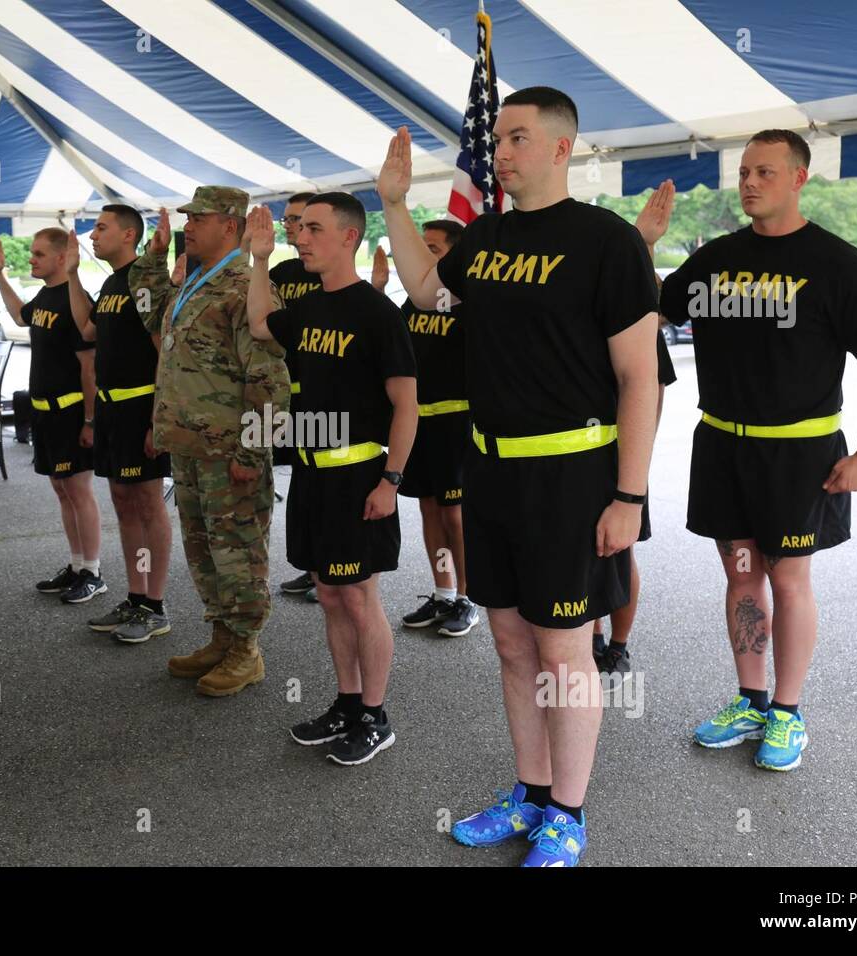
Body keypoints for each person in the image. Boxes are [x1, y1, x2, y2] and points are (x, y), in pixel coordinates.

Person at [379, 87, 659, 866]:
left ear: (562, 148)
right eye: (497, 138)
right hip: (490, 471)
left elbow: (641, 378)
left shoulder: (607, 243)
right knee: (509, 643)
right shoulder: (486, 238)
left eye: (517, 138)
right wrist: (394, 207)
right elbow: (427, 292)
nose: (499, 152)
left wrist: (629, 496)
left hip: (572, 476)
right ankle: (531, 794)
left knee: (565, 652)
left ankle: (567, 813)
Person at [662, 129, 857, 771]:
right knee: (741, 574)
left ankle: (788, 713)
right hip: (722, 446)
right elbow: (650, 311)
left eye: (764, 172)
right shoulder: (714, 260)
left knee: (789, 579)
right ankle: (751, 700)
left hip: (799, 454)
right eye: (744, 172)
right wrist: (643, 244)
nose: (749, 182)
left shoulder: (836, 262)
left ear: (799, 177)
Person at [247, 194, 417, 765]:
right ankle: (347, 703)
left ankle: (375, 715)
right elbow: (259, 324)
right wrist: (259, 259)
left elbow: (407, 406)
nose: (301, 237)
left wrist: (390, 481)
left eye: (313, 228)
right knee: (328, 594)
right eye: (298, 228)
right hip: (311, 475)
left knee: (360, 597)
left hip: (359, 477)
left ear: (349, 237)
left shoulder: (378, 313)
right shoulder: (308, 308)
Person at [128, 186, 289, 697]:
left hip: (228, 451)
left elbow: (268, 377)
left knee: (238, 551)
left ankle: (246, 650)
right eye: (188, 218)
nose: (188, 226)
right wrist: (152, 261)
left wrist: (251, 451)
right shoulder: (194, 281)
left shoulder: (246, 287)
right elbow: (151, 317)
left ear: (230, 226)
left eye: (198, 218)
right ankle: (222, 637)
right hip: (190, 445)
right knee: (203, 550)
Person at [65, 207, 174, 644]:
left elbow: (164, 352)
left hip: (139, 409)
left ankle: (155, 606)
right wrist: (72, 274)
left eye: (101, 227)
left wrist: (157, 419)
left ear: (129, 235)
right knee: (124, 505)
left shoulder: (144, 280)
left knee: (148, 505)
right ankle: (136, 595)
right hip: (111, 411)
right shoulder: (112, 283)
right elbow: (86, 329)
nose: (92, 235)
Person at [372, 220, 480, 639]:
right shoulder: (416, 302)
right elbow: (388, 343)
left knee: (455, 515)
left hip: (456, 423)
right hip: (419, 423)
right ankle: (443, 593)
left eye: (432, 248)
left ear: (454, 255)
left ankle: (468, 598)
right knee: (429, 509)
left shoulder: (470, 301)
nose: (422, 254)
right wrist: (379, 290)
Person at [592, 179, 679, 686]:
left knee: (619, 553)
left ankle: (618, 646)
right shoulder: (583, 314)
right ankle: (593, 635)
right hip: (576, 456)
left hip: (621, 460)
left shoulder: (636, 326)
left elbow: (653, 393)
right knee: (586, 555)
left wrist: (635, 469)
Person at [0, 230, 104, 606]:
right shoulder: (44, 297)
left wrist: (89, 420)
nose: (32, 259)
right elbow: (19, 315)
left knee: (78, 490)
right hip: (44, 412)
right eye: (32, 253)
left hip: (70, 412)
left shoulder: (76, 301)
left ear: (61, 258)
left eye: (39, 254)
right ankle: (76, 565)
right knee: (62, 490)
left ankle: (93, 572)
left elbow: (89, 367)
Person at [268, 192, 324, 600]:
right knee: (292, 481)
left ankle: (329, 568)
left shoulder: (327, 275)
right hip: (275, 397)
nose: (288, 226)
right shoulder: (282, 272)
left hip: (316, 400)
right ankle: (310, 564)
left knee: (318, 478)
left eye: (296, 219)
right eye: (286, 219)